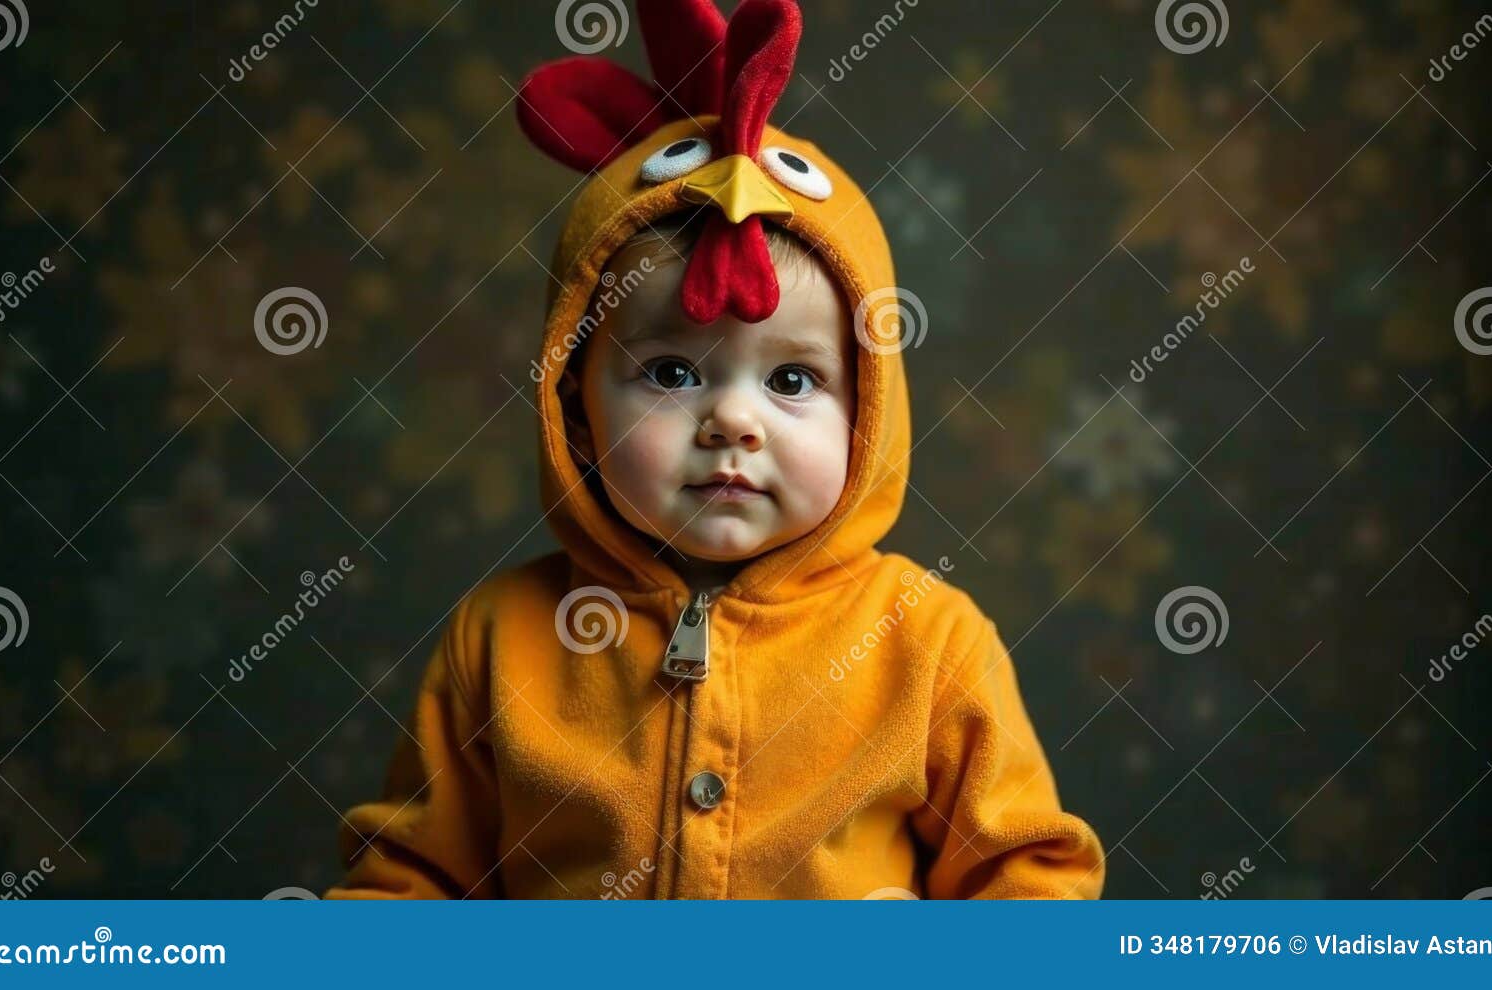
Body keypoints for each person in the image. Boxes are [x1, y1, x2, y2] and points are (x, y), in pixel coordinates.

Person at [325, 0, 1105, 900]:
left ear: (871, 414)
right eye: (666, 372)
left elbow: (1031, 884)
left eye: (791, 382)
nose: (734, 421)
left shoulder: (929, 643)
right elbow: (409, 884)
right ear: (574, 407)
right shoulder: (500, 639)